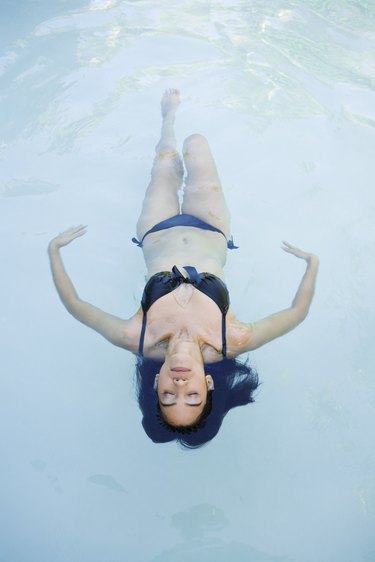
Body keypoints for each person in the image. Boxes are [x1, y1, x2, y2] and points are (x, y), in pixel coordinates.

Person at [48, 89, 319, 447]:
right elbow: (297, 314)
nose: (179, 388)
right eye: (192, 397)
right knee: (197, 145)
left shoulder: (136, 337)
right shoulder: (233, 338)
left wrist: (53, 249)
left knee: (166, 159)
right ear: (207, 385)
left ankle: (167, 116)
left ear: (156, 384)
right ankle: (182, 119)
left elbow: (75, 305)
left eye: (168, 397)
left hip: (155, 230)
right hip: (211, 226)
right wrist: (312, 263)